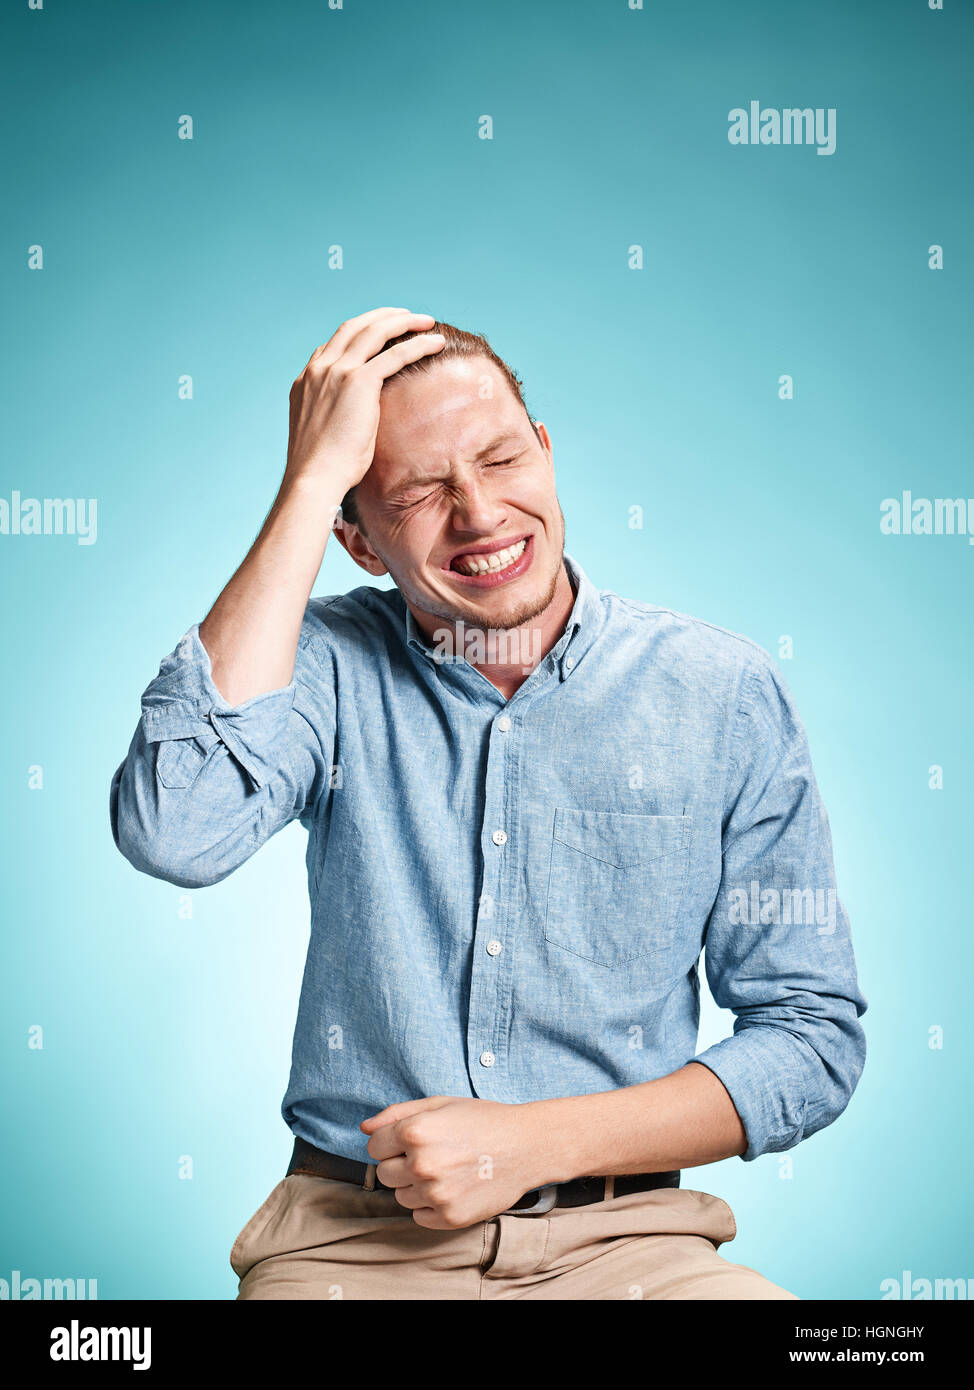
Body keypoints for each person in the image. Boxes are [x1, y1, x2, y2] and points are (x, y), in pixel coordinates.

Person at [110, 307, 867, 1300]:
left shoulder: (719, 692)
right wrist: (304, 486)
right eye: (418, 491)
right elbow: (178, 829)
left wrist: (531, 1143)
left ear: (546, 452)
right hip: (352, 1245)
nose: (477, 514)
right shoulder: (323, 667)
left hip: (633, 1245)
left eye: (502, 459)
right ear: (358, 538)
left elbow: (809, 1036)